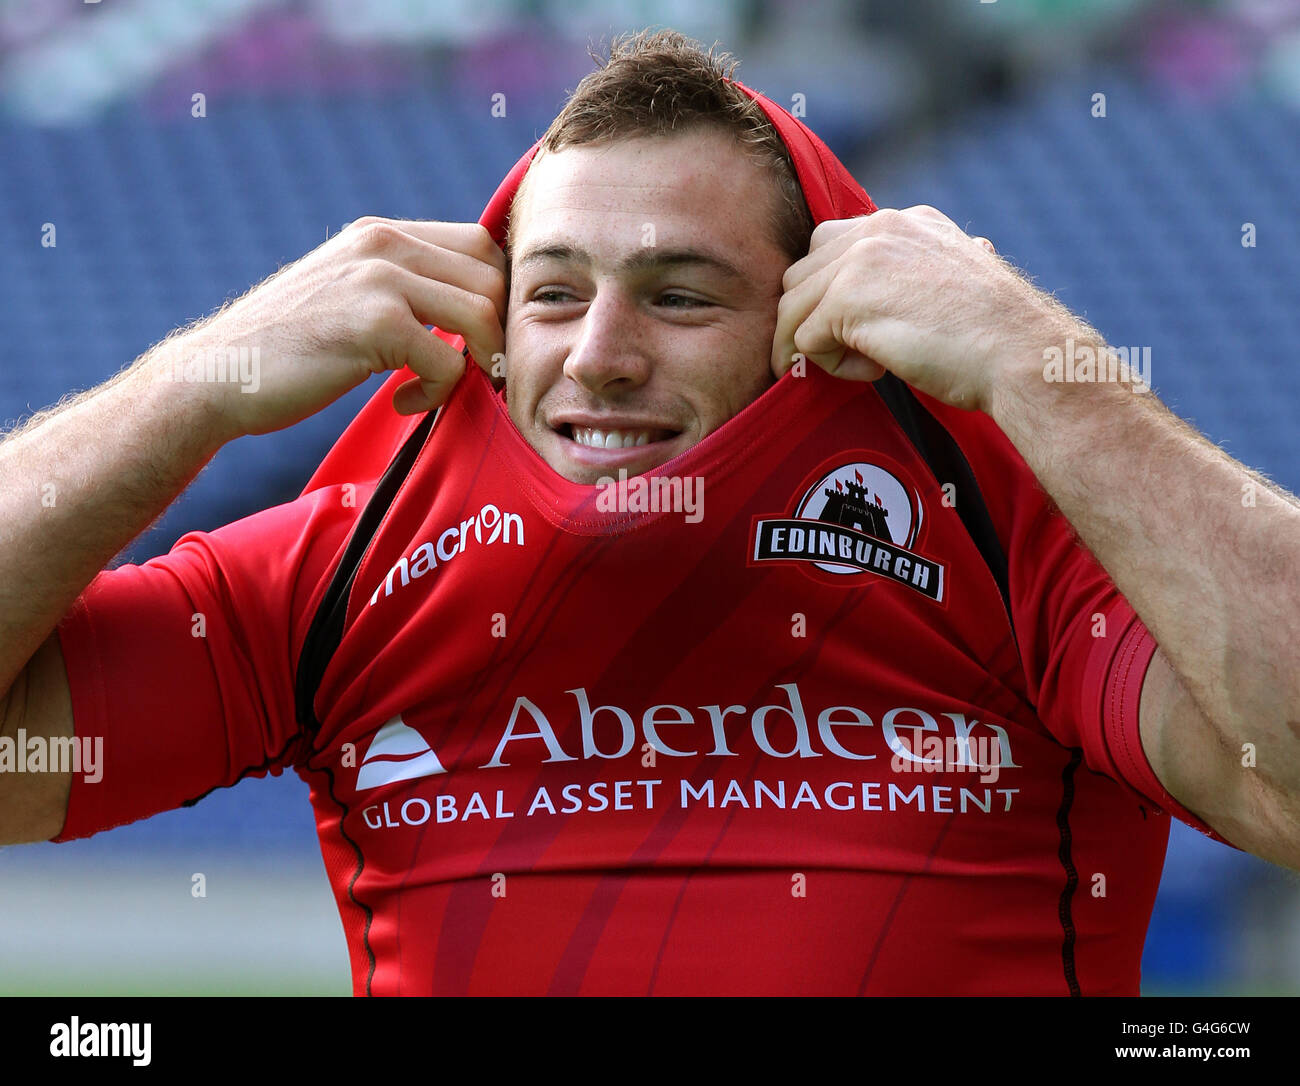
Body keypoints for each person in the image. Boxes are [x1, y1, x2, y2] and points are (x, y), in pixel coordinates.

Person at [0, 29, 1296, 996]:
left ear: (819, 326)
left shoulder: (1013, 554)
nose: (600, 356)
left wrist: (1036, 361)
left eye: (679, 296)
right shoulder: (343, 570)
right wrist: (192, 382)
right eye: (554, 294)